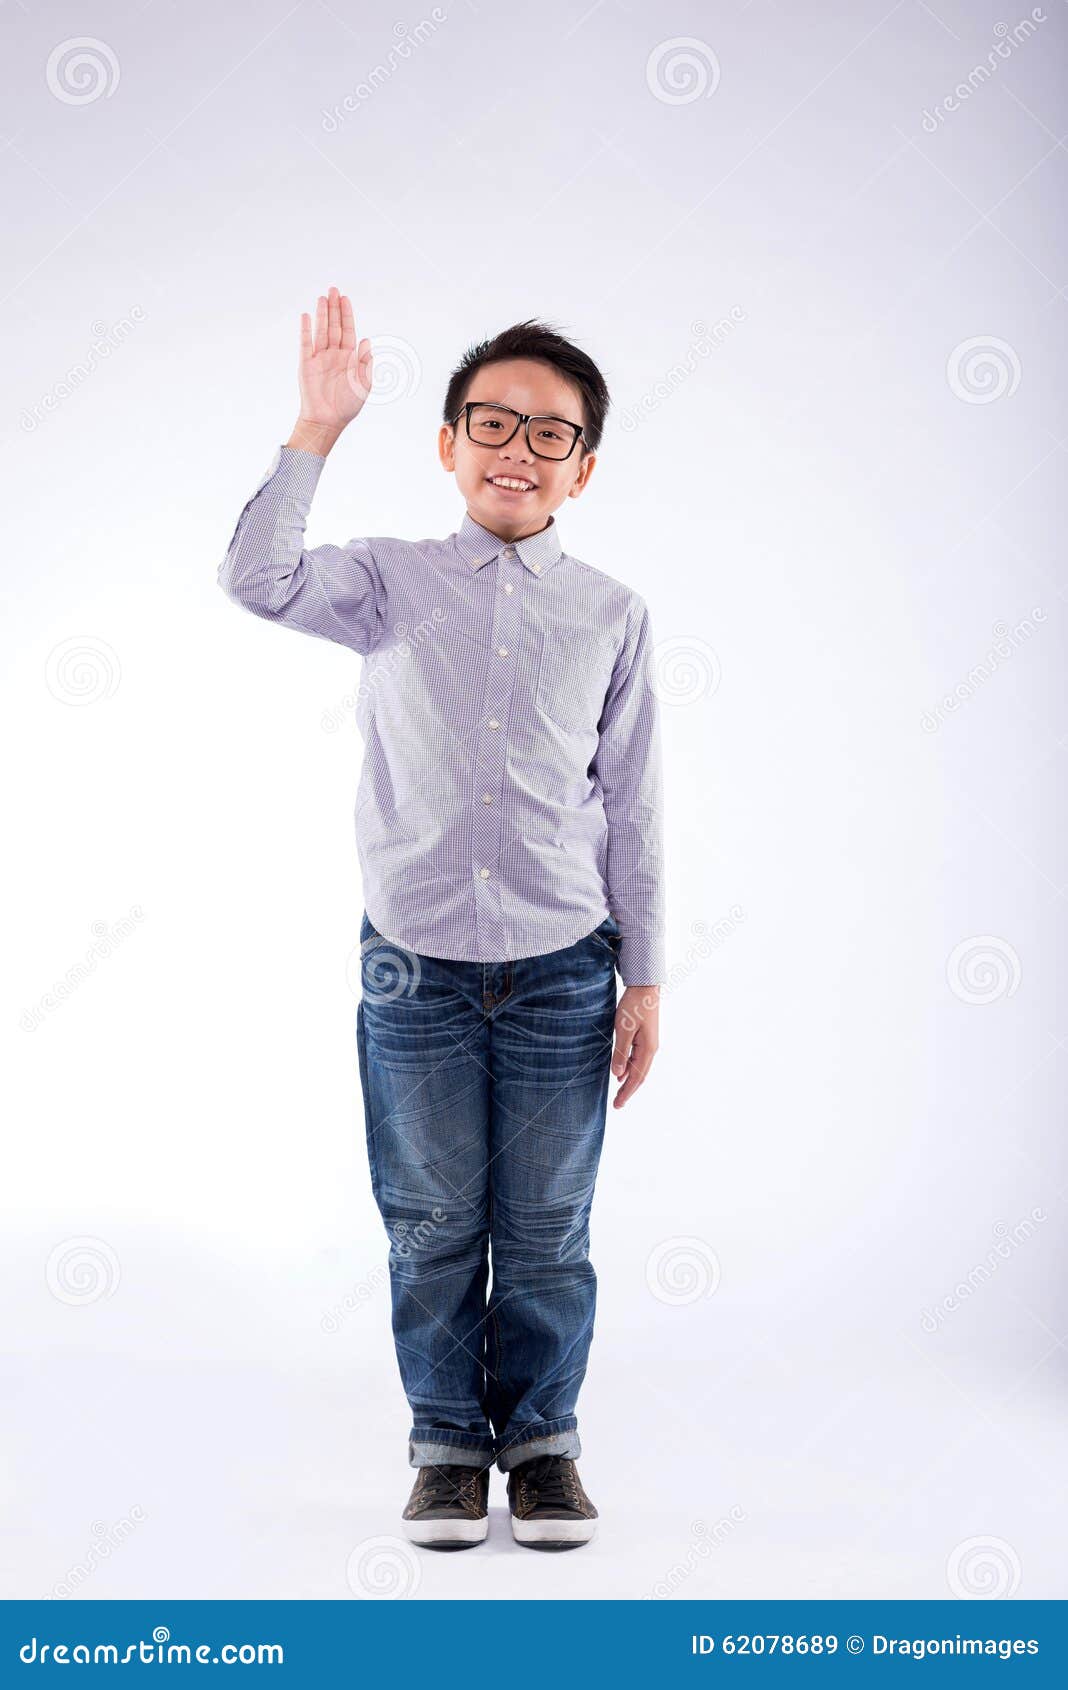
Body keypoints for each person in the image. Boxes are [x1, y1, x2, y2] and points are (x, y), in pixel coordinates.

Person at [218, 287, 665, 1552]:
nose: (516, 449)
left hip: (566, 971)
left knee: (545, 1231)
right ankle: (445, 1448)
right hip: (413, 969)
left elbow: (632, 807)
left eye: (548, 434)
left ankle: (543, 1444)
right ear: (448, 444)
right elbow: (254, 577)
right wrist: (315, 426)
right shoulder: (385, 582)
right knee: (426, 1221)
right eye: (491, 421)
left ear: (582, 470)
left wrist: (646, 975)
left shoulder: (614, 613)